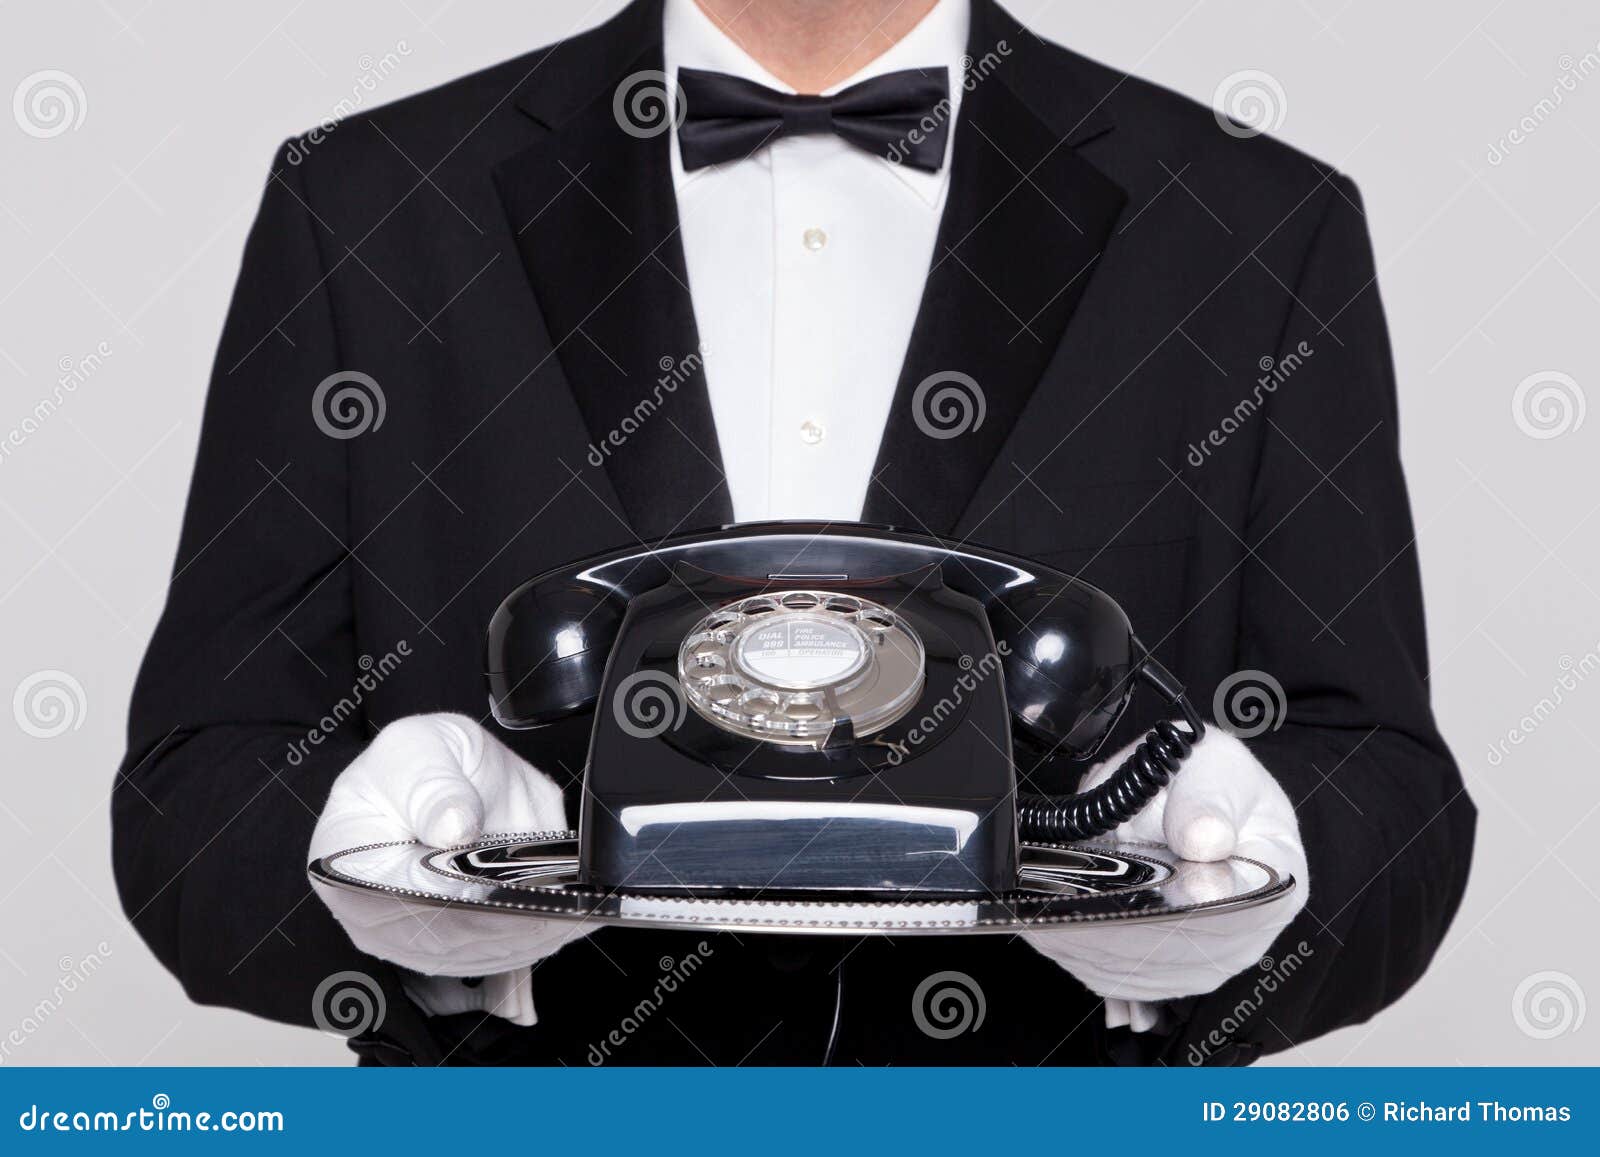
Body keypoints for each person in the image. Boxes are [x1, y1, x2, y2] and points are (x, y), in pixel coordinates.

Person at [114, 0, 1475, 1065]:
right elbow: (189, 805)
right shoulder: (369, 211)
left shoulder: (1253, 227)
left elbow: (1397, 804)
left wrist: (1239, 873)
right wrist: (387, 879)